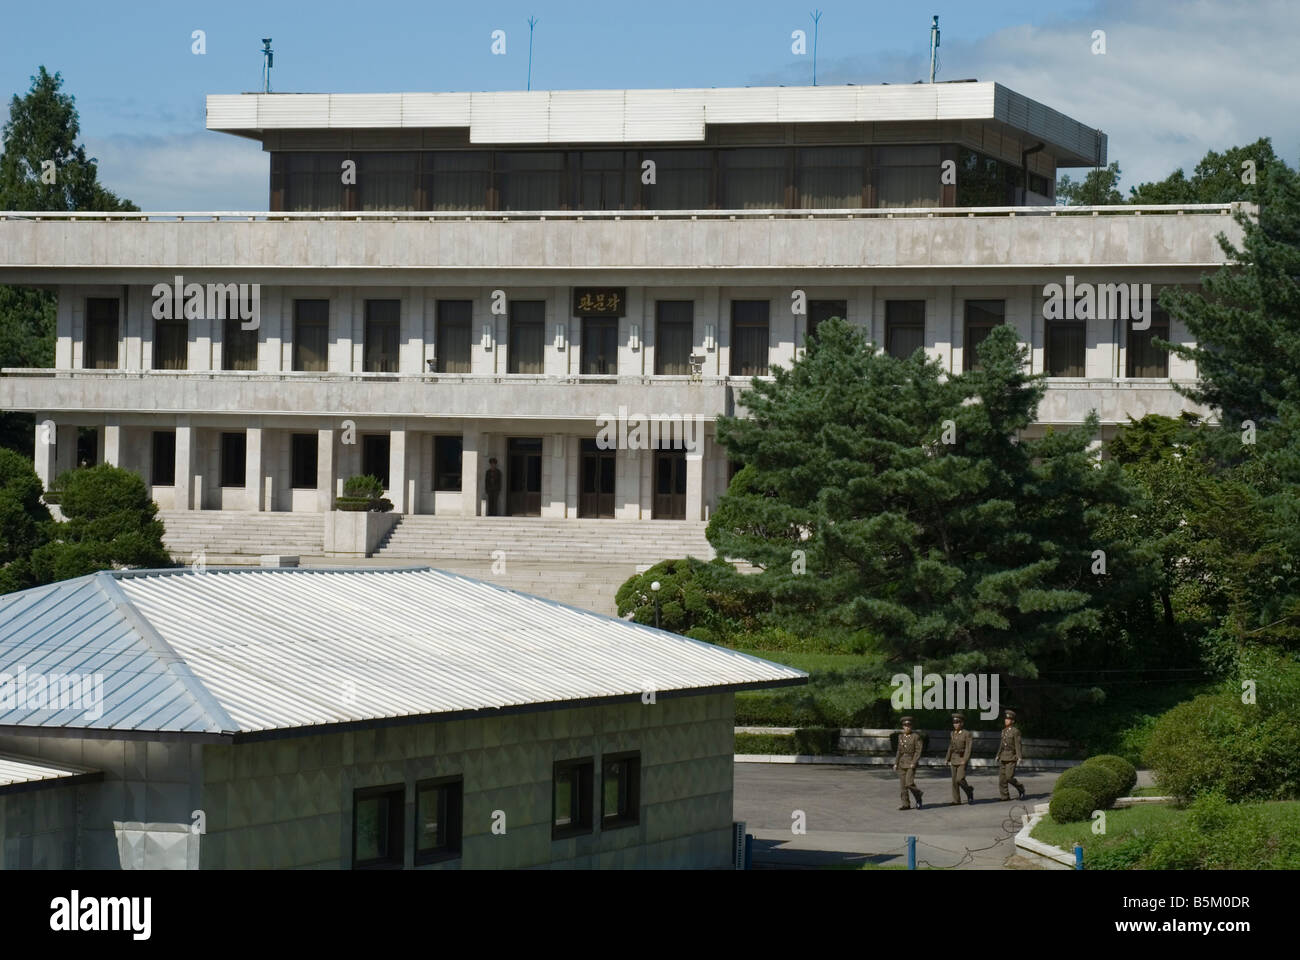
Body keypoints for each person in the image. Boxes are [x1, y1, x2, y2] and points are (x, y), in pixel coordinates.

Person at [894, 716, 924, 810]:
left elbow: (918, 751)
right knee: (903, 786)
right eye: (905, 725)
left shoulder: (916, 737)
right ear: (902, 726)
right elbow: (899, 751)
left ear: (911, 726)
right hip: (902, 763)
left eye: (908, 725)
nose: (907, 727)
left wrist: (914, 762)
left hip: (911, 762)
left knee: (909, 783)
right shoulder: (900, 736)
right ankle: (906, 804)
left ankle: (918, 796)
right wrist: (896, 763)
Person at [997, 709, 1026, 801]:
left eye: (1008, 719)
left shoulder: (1015, 731)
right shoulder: (1004, 731)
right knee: (1002, 779)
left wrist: (1019, 757)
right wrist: (998, 755)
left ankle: (1020, 788)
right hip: (1003, 756)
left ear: (1012, 721)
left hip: (1011, 757)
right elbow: (1001, 744)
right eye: (1005, 719)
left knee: (1009, 777)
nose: (1006, 720)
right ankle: (1005, 796)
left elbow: (1018, 745)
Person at [946, 712, 974, 804]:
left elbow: (968, 748)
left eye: (957, 722)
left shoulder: (967, 734)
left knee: (960, 779)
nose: (955, 724)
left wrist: (965, 760)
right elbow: (951, 746)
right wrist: (947, 758)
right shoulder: (952, 733)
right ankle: (956, 800)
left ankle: (969, 791)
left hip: (962, 759)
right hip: (954, 759)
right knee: (954, 781)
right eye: (954, 722)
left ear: (962, 723)